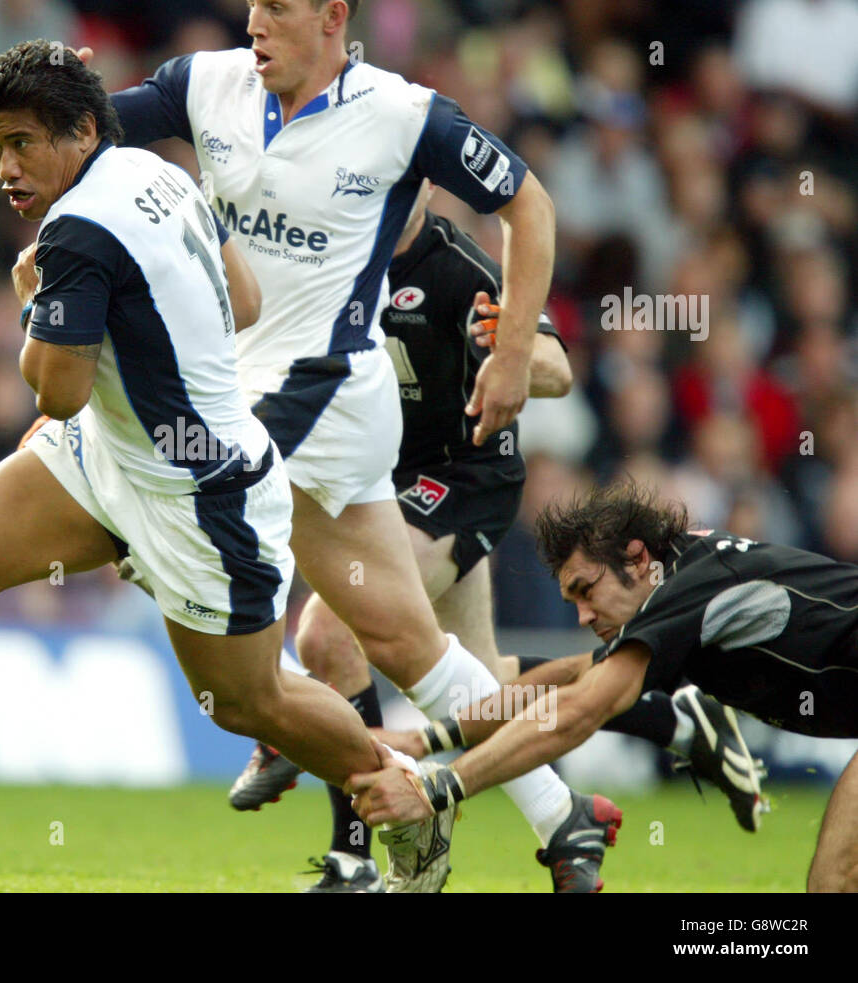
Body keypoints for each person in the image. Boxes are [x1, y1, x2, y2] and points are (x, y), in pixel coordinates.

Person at [0, 42, 444, 868]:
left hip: (202, 492)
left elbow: (55, 392)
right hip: (113, 453)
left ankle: (406, 793)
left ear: (81, 131)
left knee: (245, 699)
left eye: (22, 143)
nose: (7, 166)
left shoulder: (78, 231)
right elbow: (246, 301)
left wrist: (36, 305)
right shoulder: (158, 172)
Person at [85, 0, 603, 893]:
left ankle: (275, 716)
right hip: (279, 399)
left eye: (277, 8)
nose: (255, 22)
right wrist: (39, 107)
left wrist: (515, 347)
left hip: (319, 391)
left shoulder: (403, 114)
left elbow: (531, 204)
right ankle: (565, 823)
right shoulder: (206, 85)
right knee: (411, 649)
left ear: (333, 17)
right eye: (250, 5)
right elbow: (86, 130)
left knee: (171, 491)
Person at [230, 189, 763, 891]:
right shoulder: (329, 255)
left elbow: (559, 369)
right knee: (480, 689)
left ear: (421, 180)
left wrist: (507, 349)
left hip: (462, 477)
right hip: (377, 484)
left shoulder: (459, 269)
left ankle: (355, 855)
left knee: (333, 630)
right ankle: (672, 719)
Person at [347, 481, 858, 893]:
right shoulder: (677, 578)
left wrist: (439, 788)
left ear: (636, 558)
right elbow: (573, 676)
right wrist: (426, 741)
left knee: (834, 883)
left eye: (586, 591)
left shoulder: (689, 586)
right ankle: (688, 725)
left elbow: (577, 710)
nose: (583, 614)